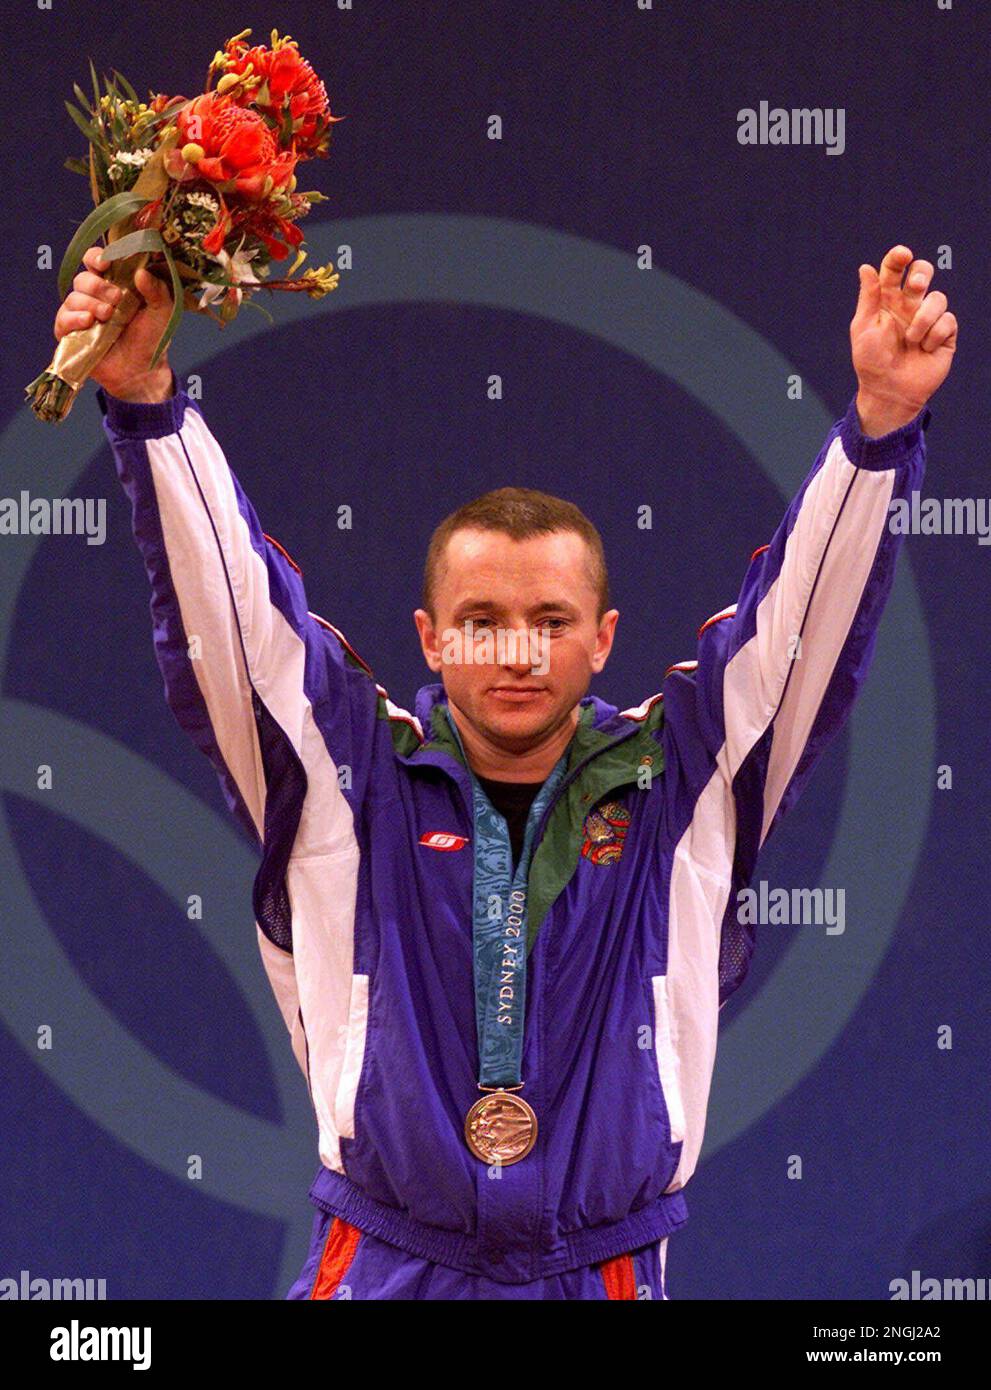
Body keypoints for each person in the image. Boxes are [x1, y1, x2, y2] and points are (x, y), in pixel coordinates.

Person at [53, 242, 956, 1300]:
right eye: (481, 622)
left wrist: (880, 428)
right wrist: (147, 405)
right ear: (430, 639)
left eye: (549, 622)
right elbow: (232, 620)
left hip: (601, 1272)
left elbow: (801, 629)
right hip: (388, 1270)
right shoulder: (345, 775)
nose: (516, 653)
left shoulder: (680, 784)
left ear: (604, 637)